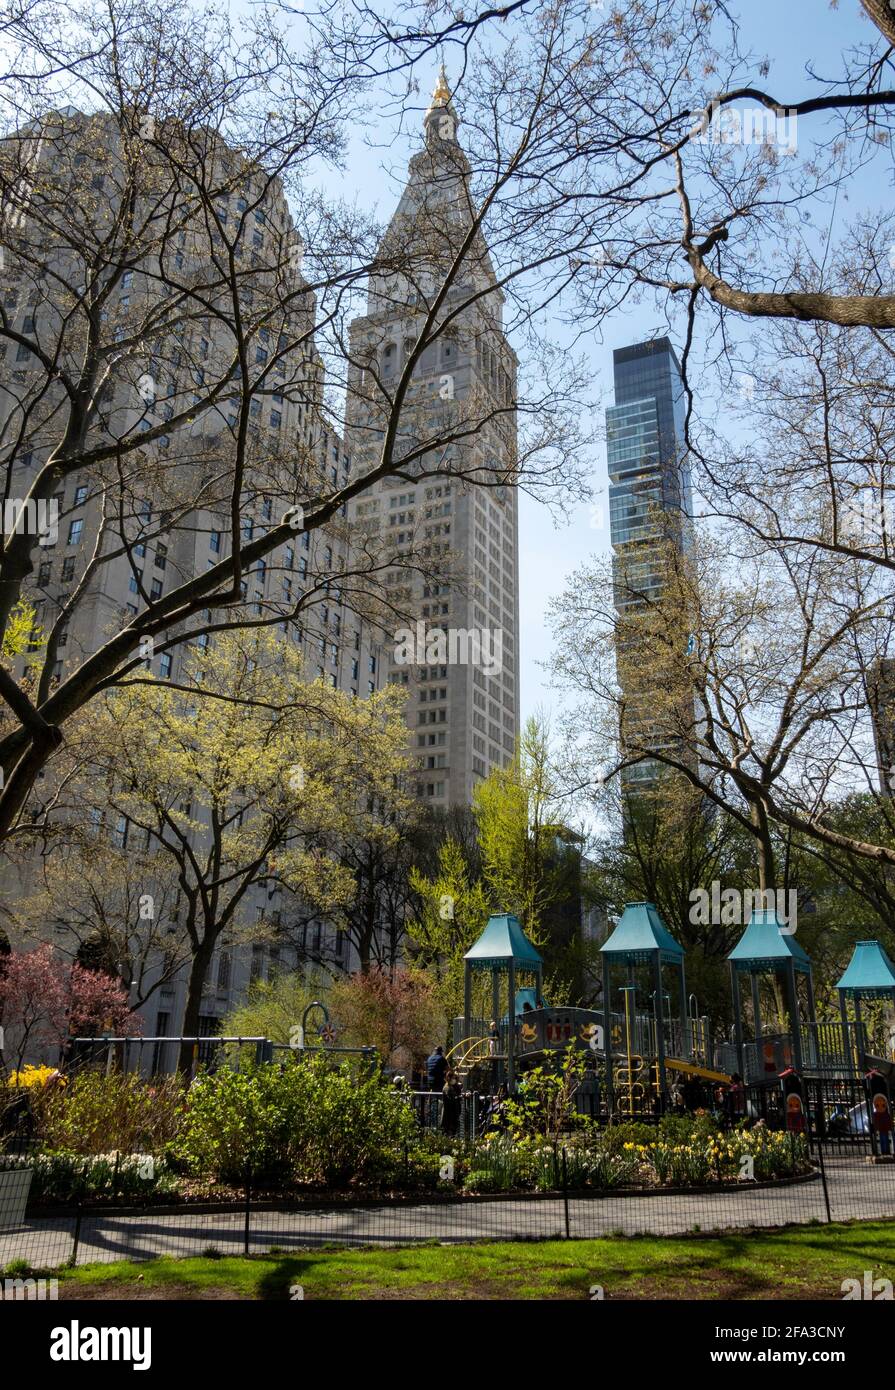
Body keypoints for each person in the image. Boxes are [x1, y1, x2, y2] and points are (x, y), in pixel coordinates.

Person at [441, 1070, 462, 1137]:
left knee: (453, 1129)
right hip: (448, 1111)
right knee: (447, 1129)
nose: (454, 1080)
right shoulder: (447, 1087)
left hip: (454, 1112)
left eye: (455, 1078)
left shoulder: (455, 1087)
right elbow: (451, 1098)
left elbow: (458, 1093)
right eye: (453, 1078)